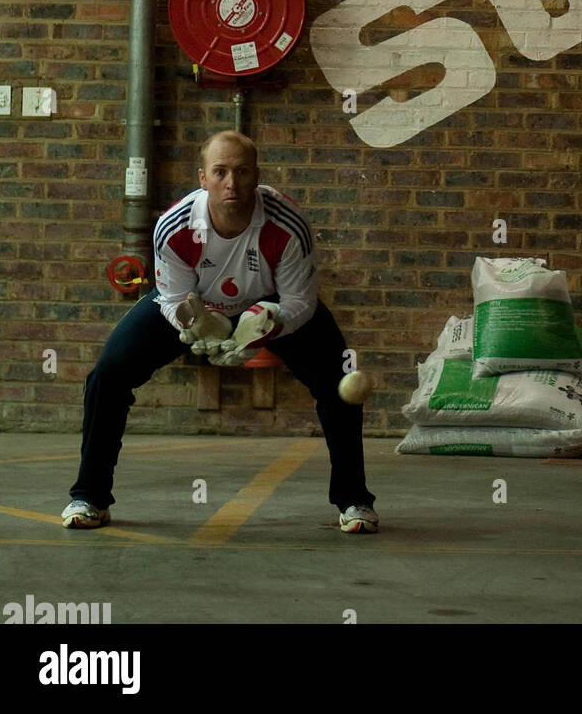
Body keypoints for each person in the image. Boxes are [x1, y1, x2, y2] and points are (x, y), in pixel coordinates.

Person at [61, 130, 378, 534]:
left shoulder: (287, 224)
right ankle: (89, 497)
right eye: (221, 171)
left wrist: (266, 323)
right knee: (107, 376)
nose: (232, 182)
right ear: (203, 178)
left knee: (338, 384)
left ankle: (354, 501)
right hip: (196, 302)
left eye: (242, 171)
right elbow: (173, 297)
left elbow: (301, 301)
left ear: (257, 175)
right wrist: (198, 324)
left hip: (272, 303)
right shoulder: (174, 227)